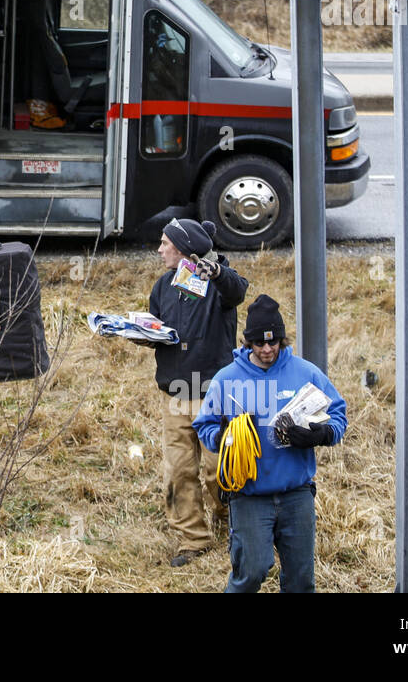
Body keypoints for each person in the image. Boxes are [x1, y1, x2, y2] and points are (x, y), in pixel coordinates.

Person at [193, 294, 348, 593]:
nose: (267, 349)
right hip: (250, 495)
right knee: (251, 573)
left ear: (282, 340)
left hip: (296, 495)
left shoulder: (306, 373)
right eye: (259, 343)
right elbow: (204, 426)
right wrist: (226, 437)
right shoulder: (227, 380)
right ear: (247, 342)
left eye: (273, 342)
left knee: (302, 581)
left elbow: (338, 414)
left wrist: (322, 435)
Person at [145, 217, 248, 566]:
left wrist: (216, 272)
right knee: (179, 470)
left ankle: (232, 519)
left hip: (212, 394)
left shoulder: (219, 282)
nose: (159, 250)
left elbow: (237, 290)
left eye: (165, 244)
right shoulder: (163, 287)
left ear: (184, 248)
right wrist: (142, 333)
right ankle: (194, 538)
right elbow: (158, 327)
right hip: (173, 393)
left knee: (218, 468)